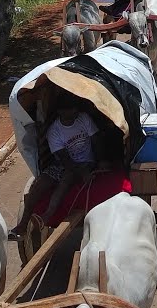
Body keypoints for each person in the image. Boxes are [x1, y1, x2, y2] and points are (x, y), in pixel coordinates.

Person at [9, 92, 107, 239]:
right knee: (40, 183)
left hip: (87, 162)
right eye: (69, 110)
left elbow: (96, 142)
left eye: (74, 109)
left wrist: (99, 163)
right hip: (64, 164)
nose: (74, 112)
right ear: (61, 111)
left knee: (66, 180)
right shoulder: (54, 131)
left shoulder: (84, 119)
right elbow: (65, 160)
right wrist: (80, 172)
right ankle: (23, 224)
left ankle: (47, 215)